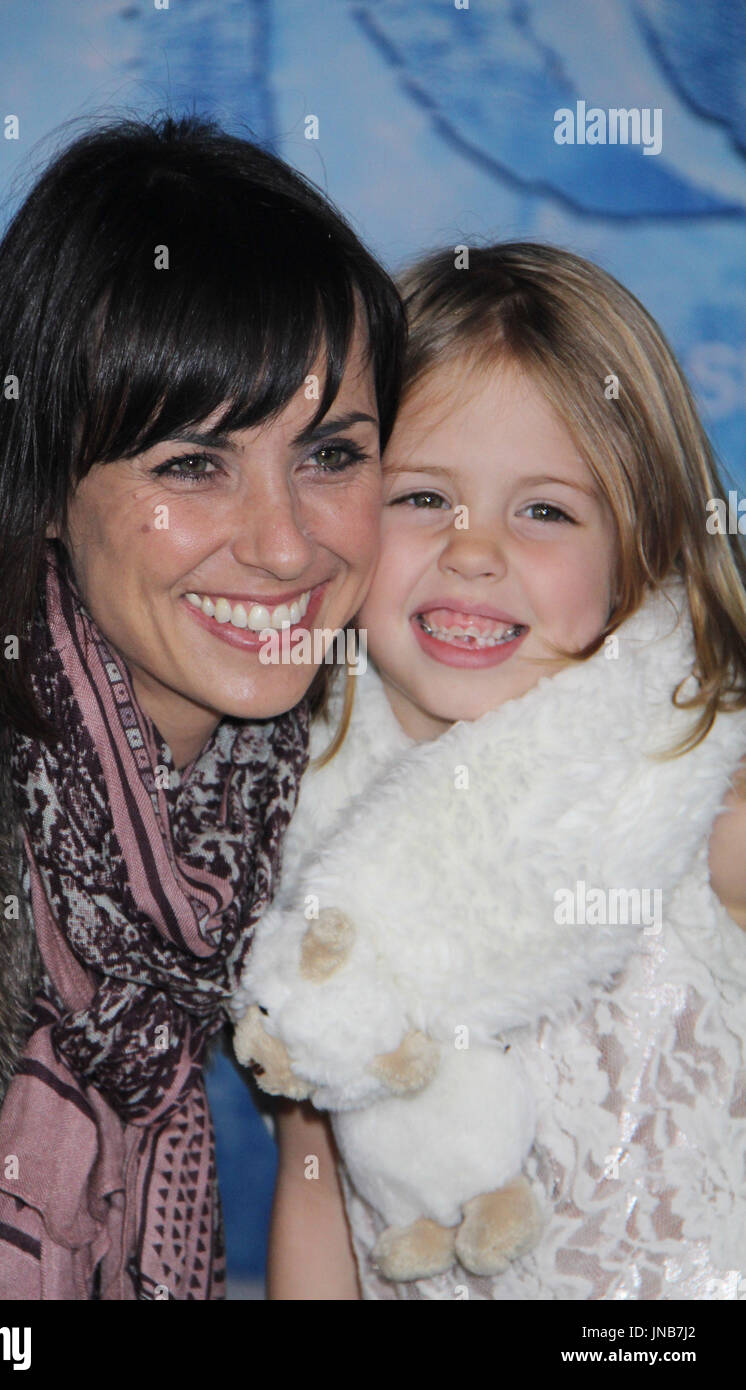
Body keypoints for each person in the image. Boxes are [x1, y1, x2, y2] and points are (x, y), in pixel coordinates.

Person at [0, 112, 405, 1300]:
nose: (283, 547)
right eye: (189, 464)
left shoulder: (285, 802)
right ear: (44, 488)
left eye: (330, 455)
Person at [238, 242, 746, 1299]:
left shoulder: (703, 793)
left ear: (638, 549)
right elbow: (311, 1176)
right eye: (423, 497)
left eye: (545, 510)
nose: (474, 550)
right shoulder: (297, 824)